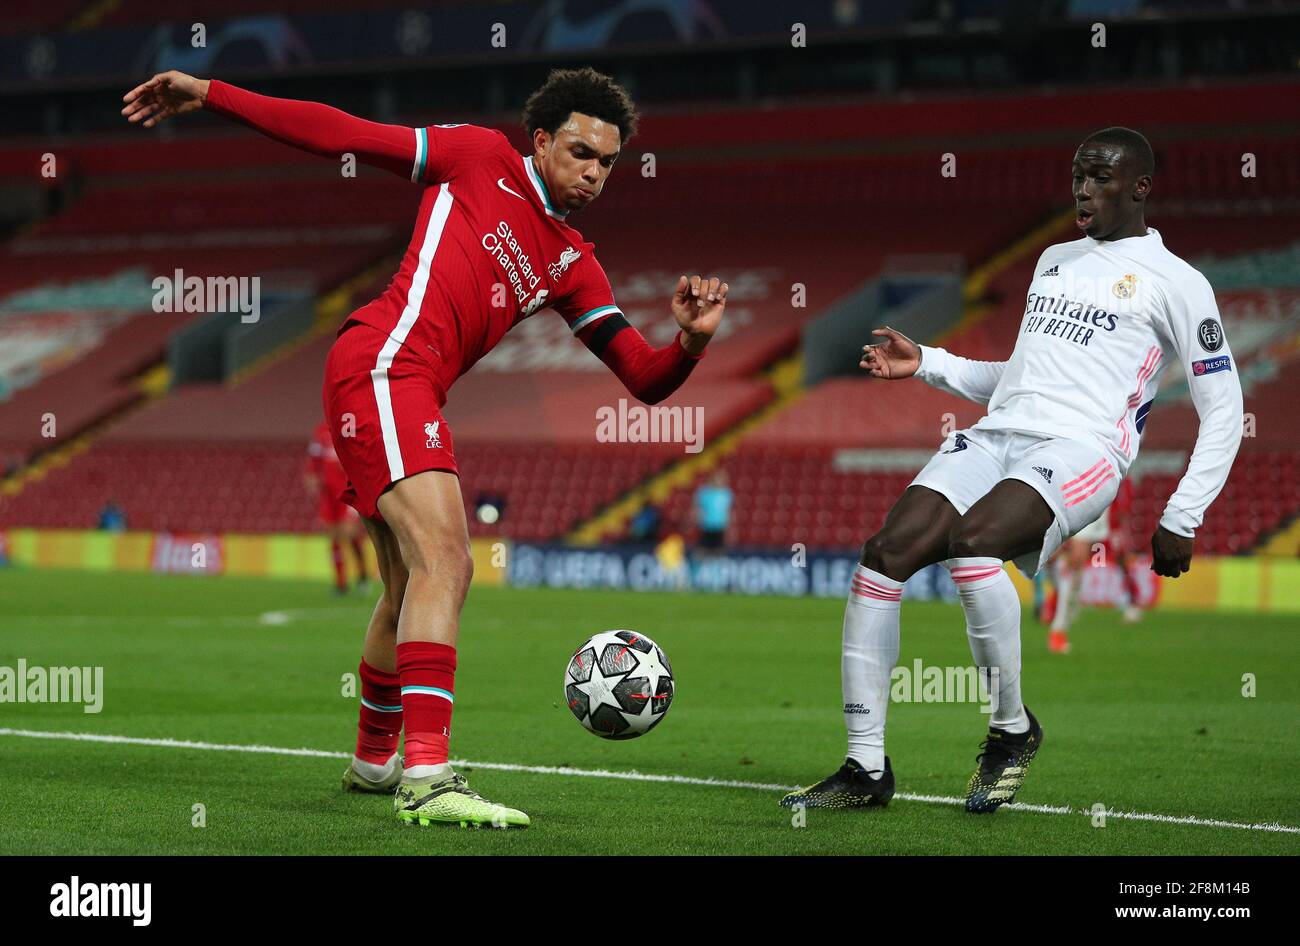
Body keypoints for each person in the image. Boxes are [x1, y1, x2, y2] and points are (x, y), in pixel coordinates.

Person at [124, 67, 728, 828]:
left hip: (400, 385)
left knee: (410, 584)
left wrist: (690, 344)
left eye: (607, 163)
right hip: (382, 363)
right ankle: (429, 774)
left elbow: (644, 377)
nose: (593, 173)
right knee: (449, 560)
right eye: (580, 152)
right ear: (540, 140)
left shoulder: (574, 264)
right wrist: (212, 93)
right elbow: (343, 133)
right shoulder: (478, 158)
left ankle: (376, 761)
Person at [782, 127, 1243, 814]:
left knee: (974, 546)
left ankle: (1011, 730)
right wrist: (930, 363)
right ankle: (865, 767)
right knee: (883, 557)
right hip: (999, 433)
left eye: (1102, 175)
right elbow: (1018, 380)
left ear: (1141, 186)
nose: (1083, 186)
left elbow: (1224, 403)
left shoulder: (1178, 282)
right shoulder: (1054, 258)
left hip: (1082, 450)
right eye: (1078, 172)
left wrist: (1184, 512)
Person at [305, 418, 370, 595]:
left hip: (349, 492)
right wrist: (311, 474)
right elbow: (314, 458)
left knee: (349, 533)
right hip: (329, 494)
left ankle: (363, 574)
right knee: (333, 535)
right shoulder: (321, 431)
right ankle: (341, 583)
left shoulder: (350, 426)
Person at [693, 469, 733, 556]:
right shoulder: (704, 492)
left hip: (720, 526)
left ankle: (715, 567)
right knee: (702, 550)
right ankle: (698, 567)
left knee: (719, 550)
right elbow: (698, 509)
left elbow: (728, 511)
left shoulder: (727, 494)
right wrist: (696, 520)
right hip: (706, 525)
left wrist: (729, 527)